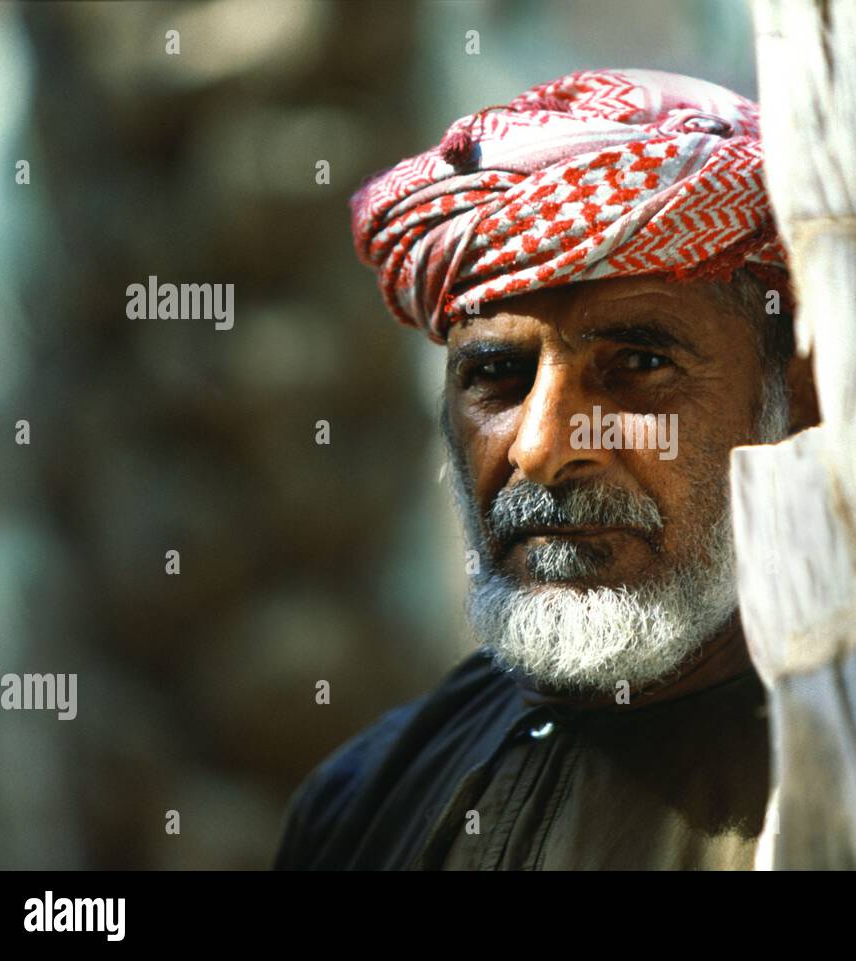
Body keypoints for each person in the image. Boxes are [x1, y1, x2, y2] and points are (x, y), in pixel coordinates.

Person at [274, 68, 817, 870]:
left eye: (637, 362)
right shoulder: (363, 799)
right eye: (496, 374)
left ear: (794, 400)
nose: (542, 447)